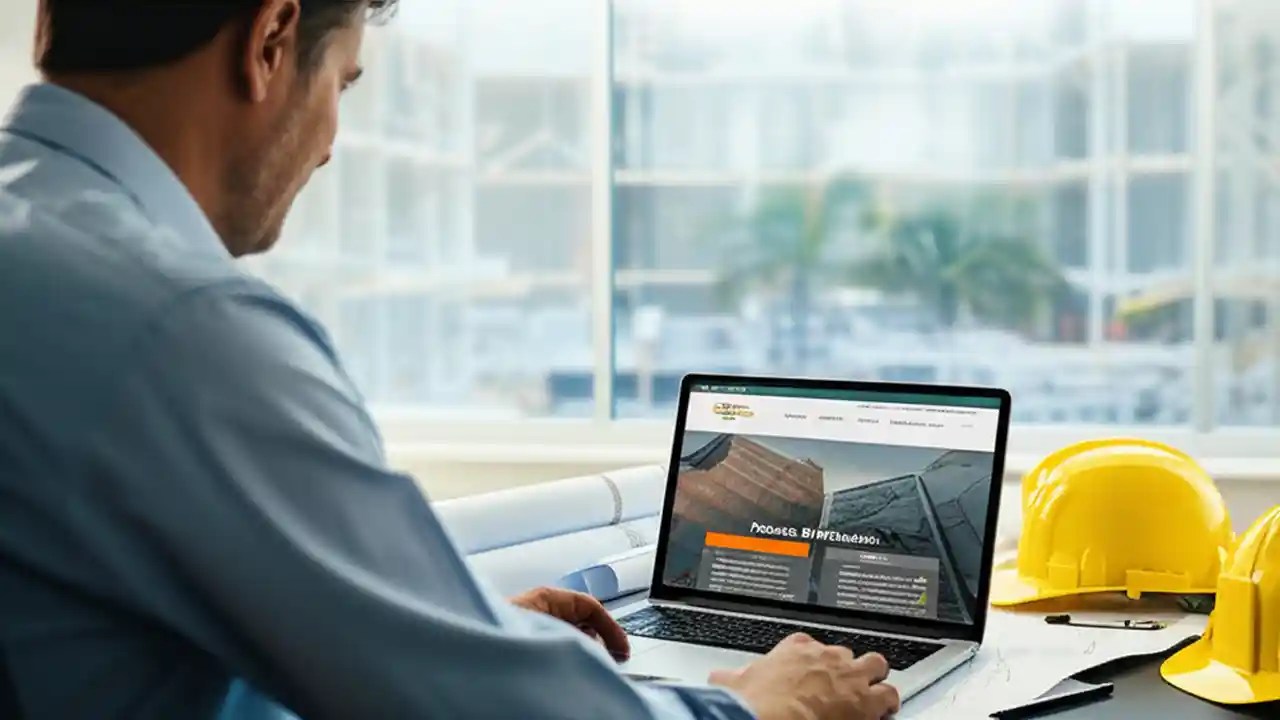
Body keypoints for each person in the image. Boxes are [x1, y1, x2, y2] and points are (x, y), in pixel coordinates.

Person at [0, 2, 901, 719]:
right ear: (271, 40)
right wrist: (755, 708)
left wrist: (447, 642)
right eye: (343, 84)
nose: (330, 142)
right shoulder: (183, 328)